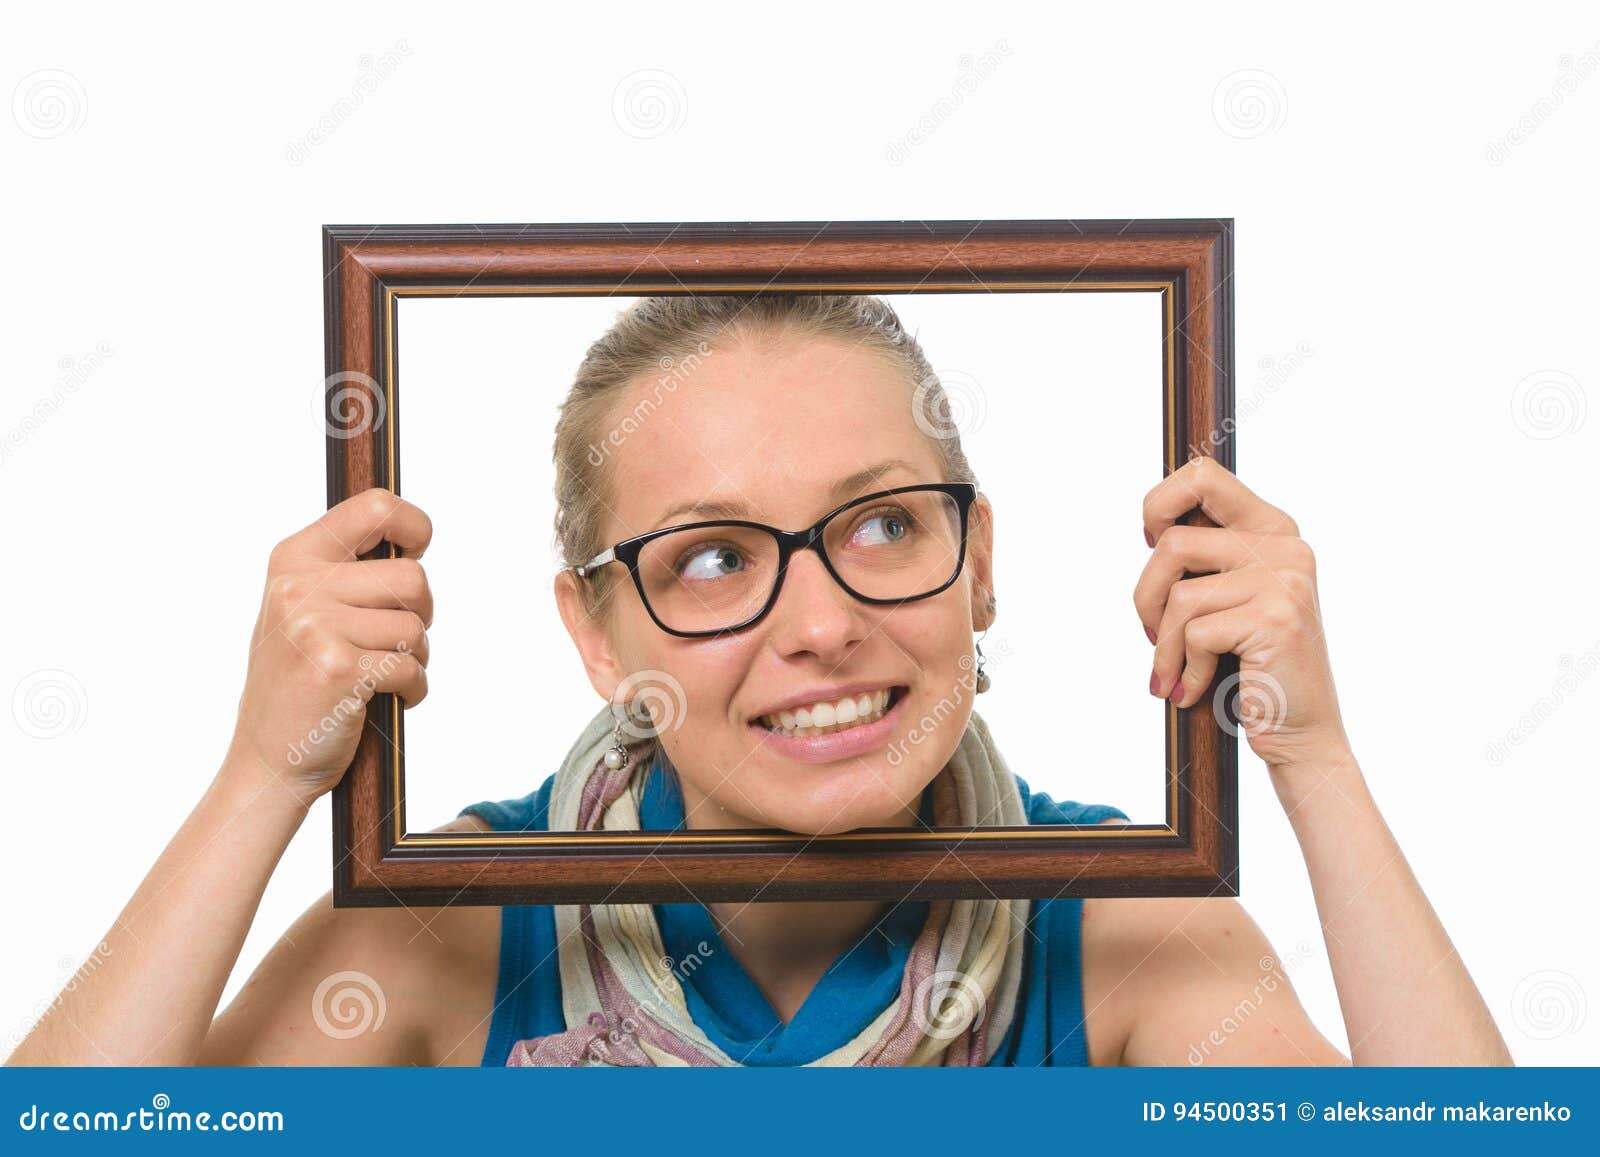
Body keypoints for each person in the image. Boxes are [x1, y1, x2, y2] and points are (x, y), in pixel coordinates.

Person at [7, 294, 1511, 1067]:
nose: (824, 623)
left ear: (979, 562)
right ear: (596, 634)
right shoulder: (441, 935)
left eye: (880, 525)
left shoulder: (1116, 927)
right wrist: (258, 781)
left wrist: (1311, 753)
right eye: (715, 559)